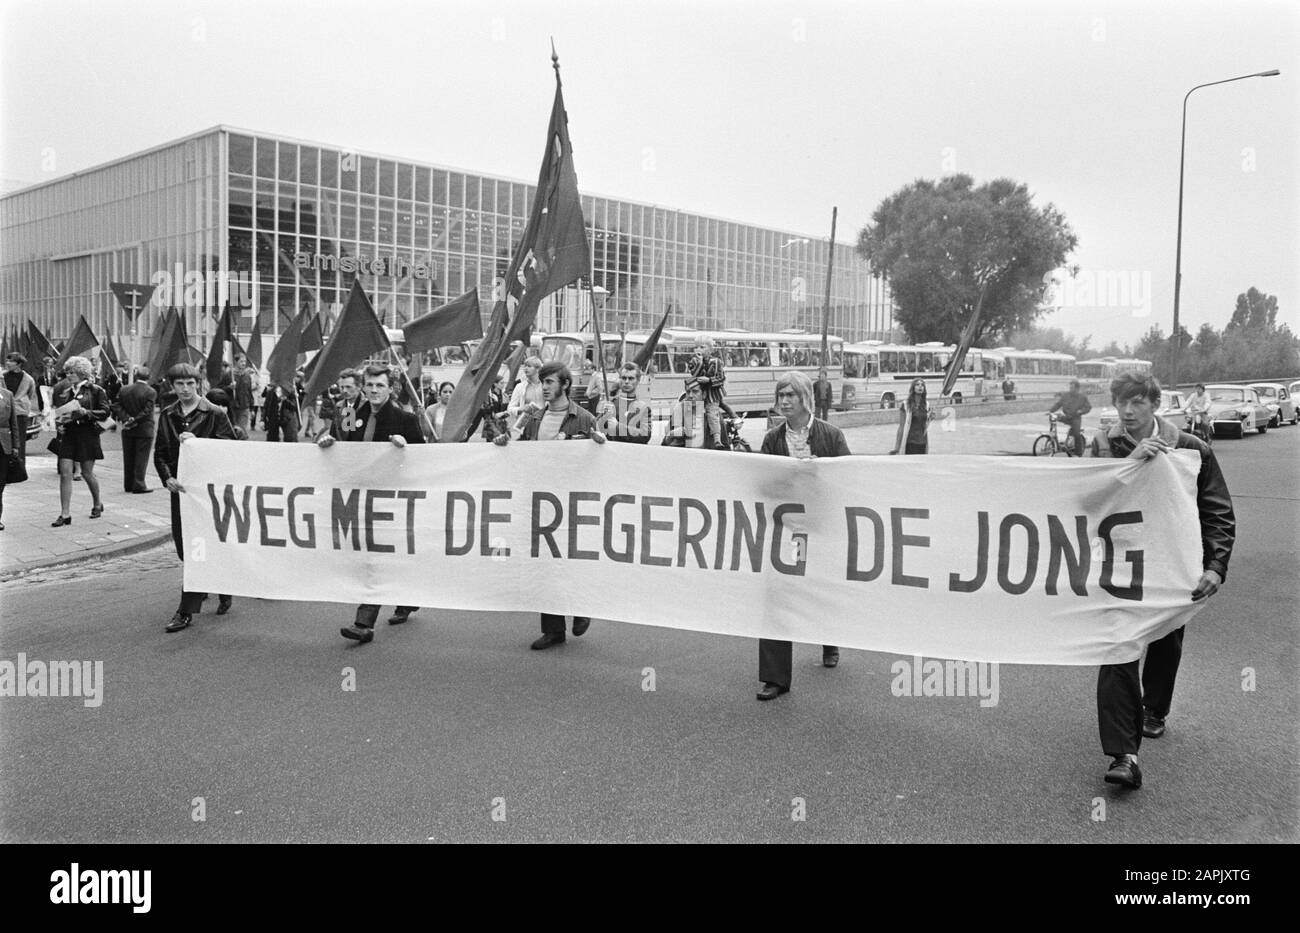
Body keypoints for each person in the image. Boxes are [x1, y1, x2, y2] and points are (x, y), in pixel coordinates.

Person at [1088, 373, 1234, 789]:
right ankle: (1123, 754)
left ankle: (1155, 709)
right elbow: (1083, 499)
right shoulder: (1104, 446)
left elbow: (1217, 513)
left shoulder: (1191, 449)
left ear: (1154, 405)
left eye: (1137, 403)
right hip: (1119, 566)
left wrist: (1215, 566)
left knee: (1165, 640)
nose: (1128, 412)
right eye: (1122, 403)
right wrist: (1131, 463)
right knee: (1118, 644)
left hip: (1172, 564)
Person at [494, 361, 606, 649]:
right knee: (545, 564)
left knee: (571, 560)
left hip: (571, 501)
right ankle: (553, 629)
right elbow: (517, 446)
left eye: (550, 382)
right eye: (542, 382)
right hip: (541, 499)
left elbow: (601, 459)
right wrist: (503, 443)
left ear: (565, 385)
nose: (544, 387)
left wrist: (599, 443)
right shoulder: (533, 417)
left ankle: (581, 608)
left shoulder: (583, 418)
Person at [755, 371, 850, 700]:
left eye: (790, 395)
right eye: (780, 395)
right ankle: (775, 677)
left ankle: (829, 639)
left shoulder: (831, 436)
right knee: (777, 597)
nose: (783, 401)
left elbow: (849, 480)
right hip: (786, 529)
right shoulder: (772, 439)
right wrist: (788, 477)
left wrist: (819, 471)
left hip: (821, 527)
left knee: (821, 588)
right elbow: (763, 484)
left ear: (805, 398)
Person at [319, 363, 427, 644]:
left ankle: (364, 623)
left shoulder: (406, 419)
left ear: (390, 389)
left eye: (380, 385)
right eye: (370, 385)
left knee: (382, 559)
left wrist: (407, 448)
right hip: (363, 498)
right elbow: (340, 440)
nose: (374, 390)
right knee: (375, 559)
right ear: (363, 388)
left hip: (394, 500)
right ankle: (403, 600)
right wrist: (328, 442)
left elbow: (426, 461)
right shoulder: (351, 414)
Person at [153, 363, 238, 633]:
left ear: (198, 384)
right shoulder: (168, 415)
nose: (186, 389)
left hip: (209, 493)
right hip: (182, 491)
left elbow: (230, 451)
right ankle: (221, 586)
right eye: (180, 384)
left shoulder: (213, 413)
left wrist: (199, 444)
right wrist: (167, 476)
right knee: (183, 548)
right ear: (172, 386)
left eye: (190, 383)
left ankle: (185, 611)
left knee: (197, 547)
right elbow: (161, 452)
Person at [49, 356, 109, 526]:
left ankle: (97, 502)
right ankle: (65, 514)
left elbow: (105, 412)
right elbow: (61, 412)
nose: (69, 375)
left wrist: (86, 412)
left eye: (72, 372)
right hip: (69, 434)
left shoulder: (96, 390)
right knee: (65, 472)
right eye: (67, 372)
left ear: (82, 373)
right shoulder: (67, 391)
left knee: (86, 473)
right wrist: (60, 424)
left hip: (87, 435)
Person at [114, 368, 157, 493]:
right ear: (148, 378)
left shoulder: (124, 389)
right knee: (141, 457)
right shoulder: (151, 391)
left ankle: (128, 484)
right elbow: (148, 410)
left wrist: (126, 418)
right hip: (144, 428)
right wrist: (135, 419)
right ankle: (139, 484)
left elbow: (116, 405)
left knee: (129, 456)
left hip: (127, 427)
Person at [687, 336, 727, 450]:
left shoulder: (717, 362)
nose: (698, 350)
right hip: (697, 393)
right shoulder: (694, 361)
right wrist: (699, 364)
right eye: (696, 347)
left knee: (712, 414)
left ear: (710, 350)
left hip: (712, 394)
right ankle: (691, 434)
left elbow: (721, 378)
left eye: (702, 347)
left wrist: (709, 380)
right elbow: (694, 375)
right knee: (691, 411)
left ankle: (717, 439)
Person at [597, 362, 652, 444]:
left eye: (631, 378)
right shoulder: (610, 404)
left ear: (638, 381)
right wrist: (603, 418)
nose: (626, 381)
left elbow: (645, 435)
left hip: (632, 453)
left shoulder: (643, 408)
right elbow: (597, 429)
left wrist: (618, 427)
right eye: (623, 378)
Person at [662, 378, 714, 449]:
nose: (691, 395)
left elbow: (724, 448)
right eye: (688, 392)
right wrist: (672, 435)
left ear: (704, 394)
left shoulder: (713, 416)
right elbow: (665, 445)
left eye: (695, 392)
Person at [3, 352, 38, 457]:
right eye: (7, 360)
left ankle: (19, 468)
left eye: (11, 361)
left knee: (19, 443)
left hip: (20, 413)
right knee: (5, 442)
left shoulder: (28, 379)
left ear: (18, 364)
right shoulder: (2, 377)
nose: (8, 363)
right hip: (4, 414)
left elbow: (31, 394)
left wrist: (21, 403)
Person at [1048, 378, 1092, 457]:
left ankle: (1078, 453)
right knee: (1054, 418)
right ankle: (1053, 439)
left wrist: (1081, 411)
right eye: (1070, 388)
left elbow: (1088, 407)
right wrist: (1050, 411)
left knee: (1076, 434)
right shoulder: (1065, 395)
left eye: (1072, 388)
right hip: (1066, 416)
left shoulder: (1082, 397)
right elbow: (1058, 404)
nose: (1070, 389)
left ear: (1077, 389)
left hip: (1076, 418)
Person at [0, 381, 22, 531]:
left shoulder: (7, 395)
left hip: (3, 445)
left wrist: (16, 445)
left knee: (0, 483)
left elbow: (13, 422)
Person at [891, 378, 931, 455]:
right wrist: (897, 447)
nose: (920, 387)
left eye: (922, 385)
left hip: (922, 443)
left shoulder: (926, 405)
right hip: (910, 443)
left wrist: (930, 418)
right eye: (917, 384)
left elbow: (924, 425)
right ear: (913, 387)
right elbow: (901, 427)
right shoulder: (905, 405)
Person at [506, 356, 545, 432]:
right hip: (526, 427)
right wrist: (521, 409)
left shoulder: (546, 385)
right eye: (525, 366)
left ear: (537, 369)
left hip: (544, 423)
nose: (525, 368)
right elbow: (510, 408)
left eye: (529, 366)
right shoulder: (519, 386)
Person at [229, 354, 257, 436]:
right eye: (241, 361)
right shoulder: (230, 375)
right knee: (233, 430)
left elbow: (249, 392)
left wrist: (252, 408)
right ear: (236, 362)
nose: (244, 363)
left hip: (244, 407)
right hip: (233, 407)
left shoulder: (247, 376)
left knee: (242, 430)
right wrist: (229, 387)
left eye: (245, 361)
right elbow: (222, 388)